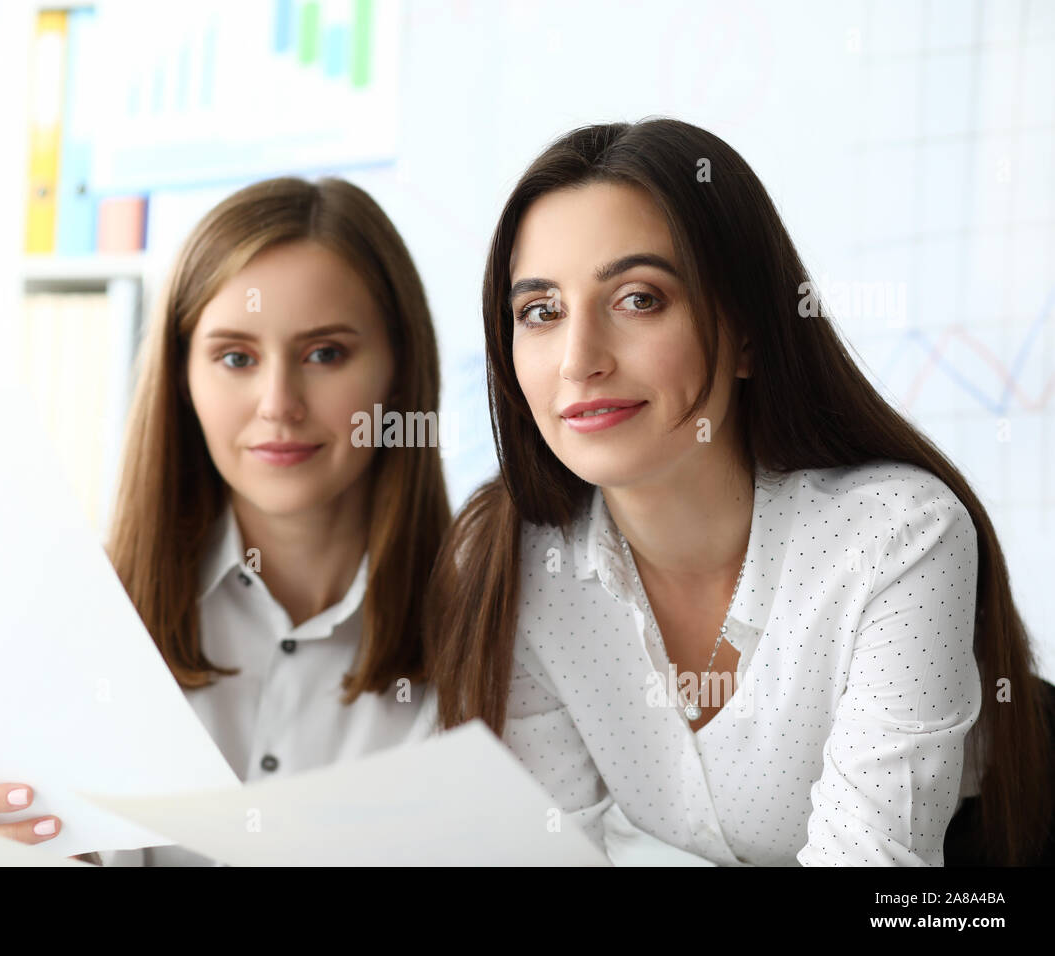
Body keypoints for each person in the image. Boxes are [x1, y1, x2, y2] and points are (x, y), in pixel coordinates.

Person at [424, 118, 1055, 866]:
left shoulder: (898, 534)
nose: (578, 360)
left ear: (749, 332)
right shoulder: (511, 560)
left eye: (638, 299)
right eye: (541, 311)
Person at [0, 176, 450, 863]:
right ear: (182, 377)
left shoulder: (487, 633)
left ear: (399, 370)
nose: (278, 403)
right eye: (235, 357)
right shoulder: (77, 617)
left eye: (325, 353)